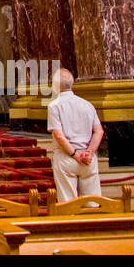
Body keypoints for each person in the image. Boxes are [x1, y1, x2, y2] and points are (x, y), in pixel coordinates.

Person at [46, 68, 104, 202]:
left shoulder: (54, 105)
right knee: (93, 201)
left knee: (68, 202)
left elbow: (59, 135)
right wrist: (89, 152)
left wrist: (75, 154)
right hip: (88, 158)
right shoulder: (87, 104)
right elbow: (99, 131)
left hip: (66, 156)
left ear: (55, 86)